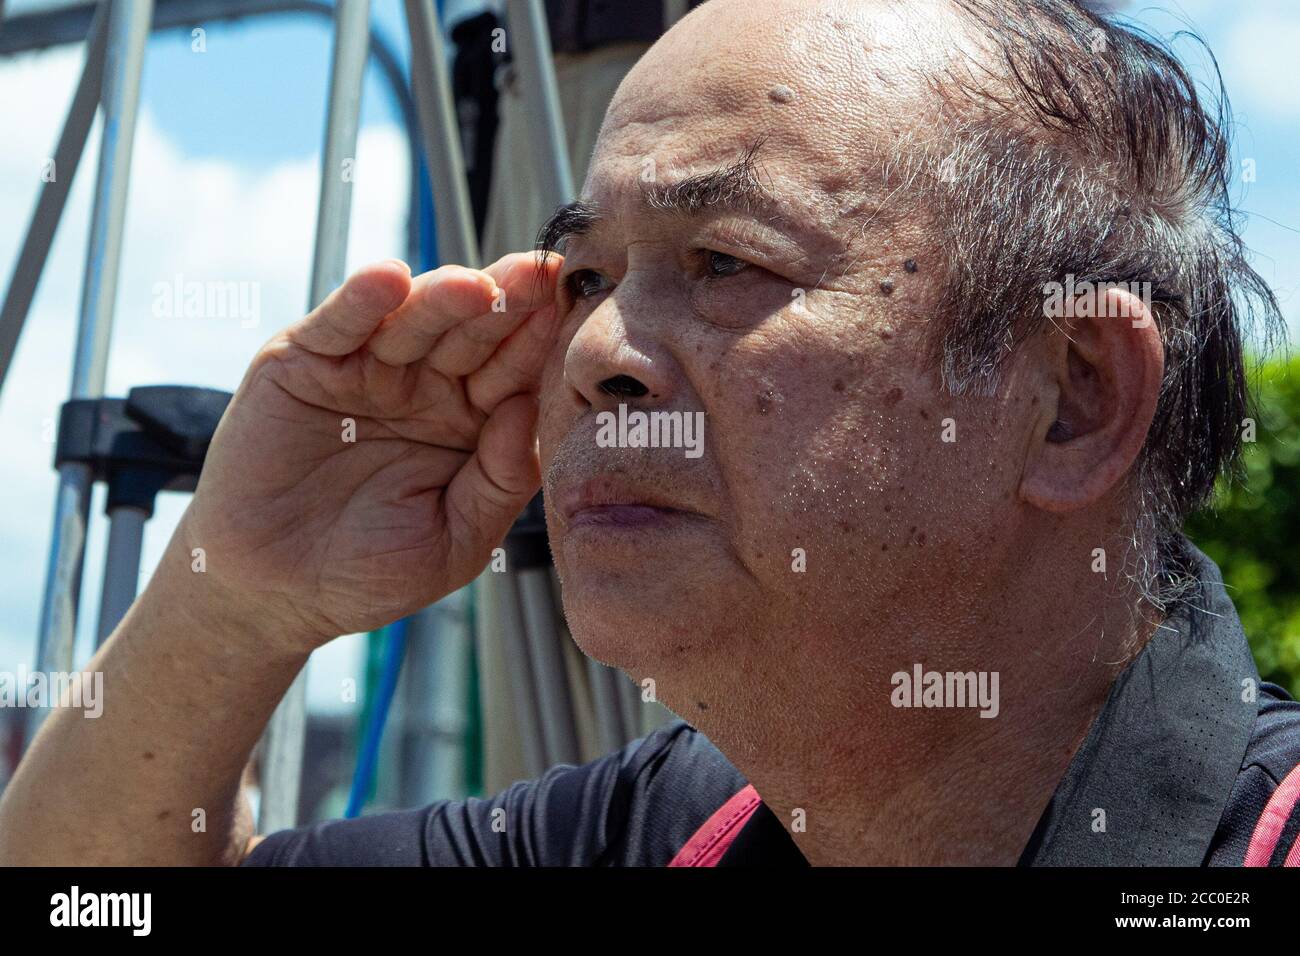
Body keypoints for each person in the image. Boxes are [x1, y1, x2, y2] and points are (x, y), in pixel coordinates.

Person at [2, 0, 1297, 867]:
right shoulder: (652, 831)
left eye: (728, 260)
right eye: (587, 277)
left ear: (1072, 395)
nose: (600, 351)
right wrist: (237, 600)